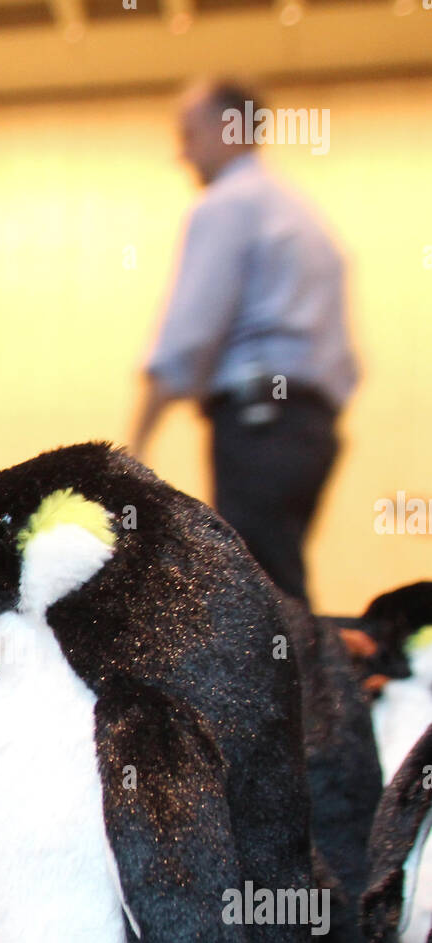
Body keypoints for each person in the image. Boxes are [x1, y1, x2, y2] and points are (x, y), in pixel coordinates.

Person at [129, 81, 359, 600]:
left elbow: (189, 332)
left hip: (260, 422)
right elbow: (345, 362)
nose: (182, 153)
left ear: (229, 129)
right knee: (276, 578)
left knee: (257, 590)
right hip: (308, 429)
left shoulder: (229, 206)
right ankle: (308, 677)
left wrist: (138, 437)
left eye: (190, 134)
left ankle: (300, 682)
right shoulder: (301, 215)